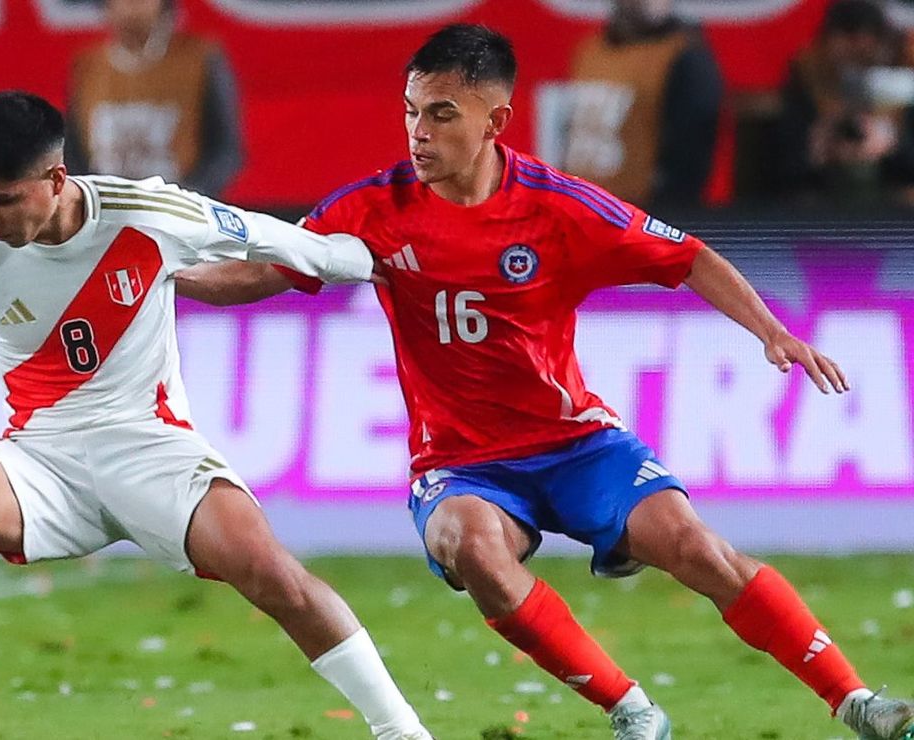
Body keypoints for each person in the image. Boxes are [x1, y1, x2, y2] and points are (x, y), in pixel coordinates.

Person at [174, 24, 914, 740]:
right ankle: (631, 710)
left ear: (495, 121)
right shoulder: (369, 209)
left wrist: (773, 331)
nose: (418, 133)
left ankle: (856, 703)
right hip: (461, 463)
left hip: (576, 444)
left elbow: (688, 257)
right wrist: (168, 273)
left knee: (696, 547)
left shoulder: (559, 206)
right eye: (410, 112)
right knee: (474, 547)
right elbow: (258, 274)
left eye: (441, 114)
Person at [0, 91, 432, 740]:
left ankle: (400, 730)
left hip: (153, 449)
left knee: (272, 574)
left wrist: (350, 260)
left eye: (4, 201)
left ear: (57, 180)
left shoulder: (145, 213)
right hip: (42, 459)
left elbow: (263, 236)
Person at [65, 0, 242, 197]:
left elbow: (225, 151)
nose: (131, 5)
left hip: (177, 206)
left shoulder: (200, 58)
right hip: (107, 206)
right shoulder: (88, 66)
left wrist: (186, 199)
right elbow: (74, 152)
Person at [562, 0, 722, 208]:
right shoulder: (590, 51)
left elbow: (687, 160)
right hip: (581, 204)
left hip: (637, 211)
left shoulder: (685, 58)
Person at [776, 0, 914, 207]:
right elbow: (787, 165)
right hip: (820, 197)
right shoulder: (807, 78)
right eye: (848, 46)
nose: (857, 57)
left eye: (865, 55)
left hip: (892, 194)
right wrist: (821, 146)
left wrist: (892, 144)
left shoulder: (901, 82)